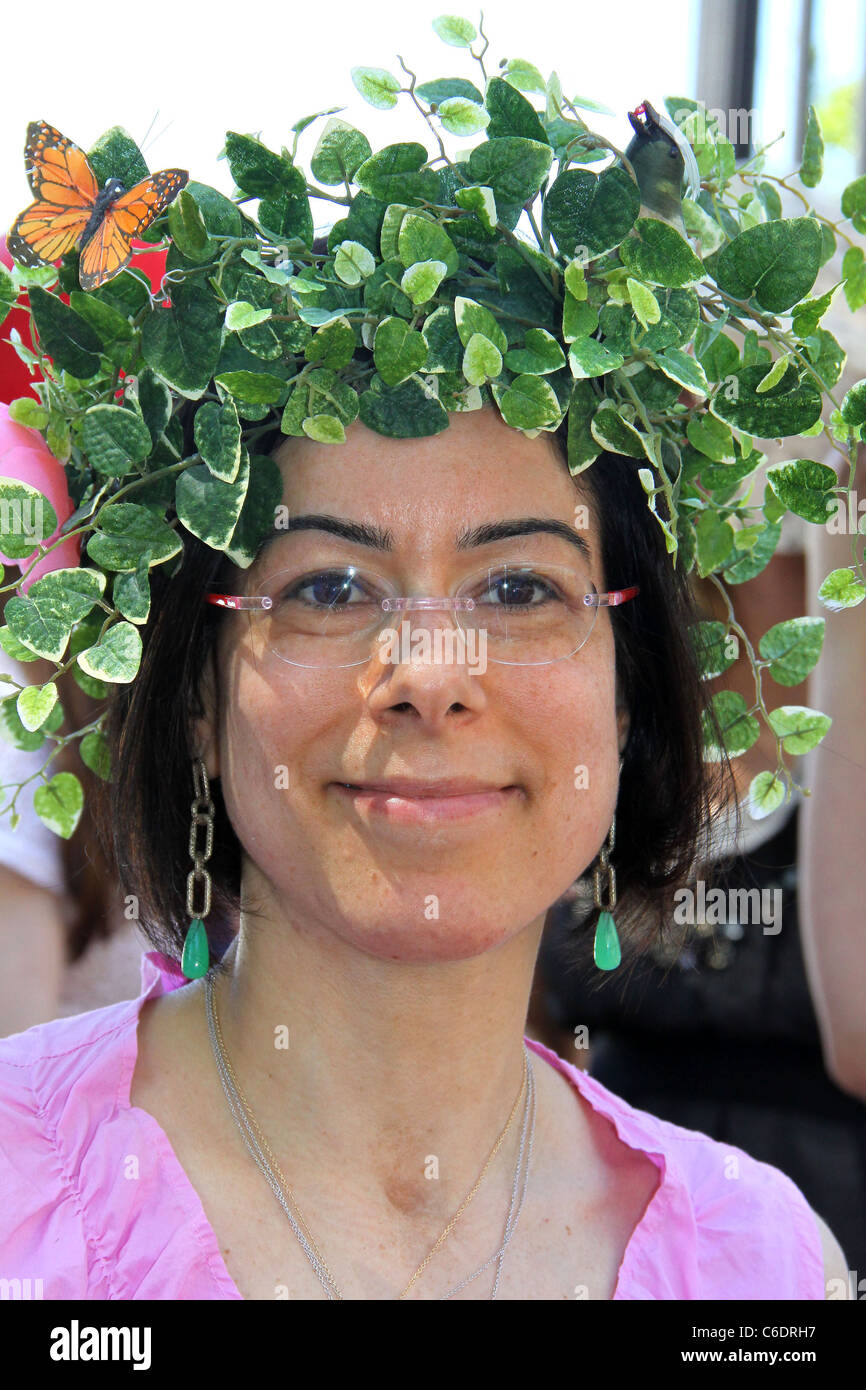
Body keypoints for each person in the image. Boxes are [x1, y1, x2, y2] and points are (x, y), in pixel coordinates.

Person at [0, 405, 850, 1298]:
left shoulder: (762, 1265)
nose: (432, 676)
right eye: (329, 589)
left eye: (520, 589)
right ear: (198, 706)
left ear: (624, 704)